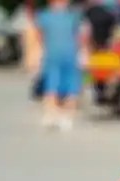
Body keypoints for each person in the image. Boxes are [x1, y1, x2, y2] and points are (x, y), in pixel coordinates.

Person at [35, 0, 88, 130]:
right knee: (52, 85)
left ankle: (67, 116)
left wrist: (83, 52)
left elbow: (81, 35)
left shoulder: (74, 15)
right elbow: (39, 36)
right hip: (53, 55)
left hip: (70, 54)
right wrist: (38, 53)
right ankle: (51, 114)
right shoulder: (44, 16)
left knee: (71, 87)